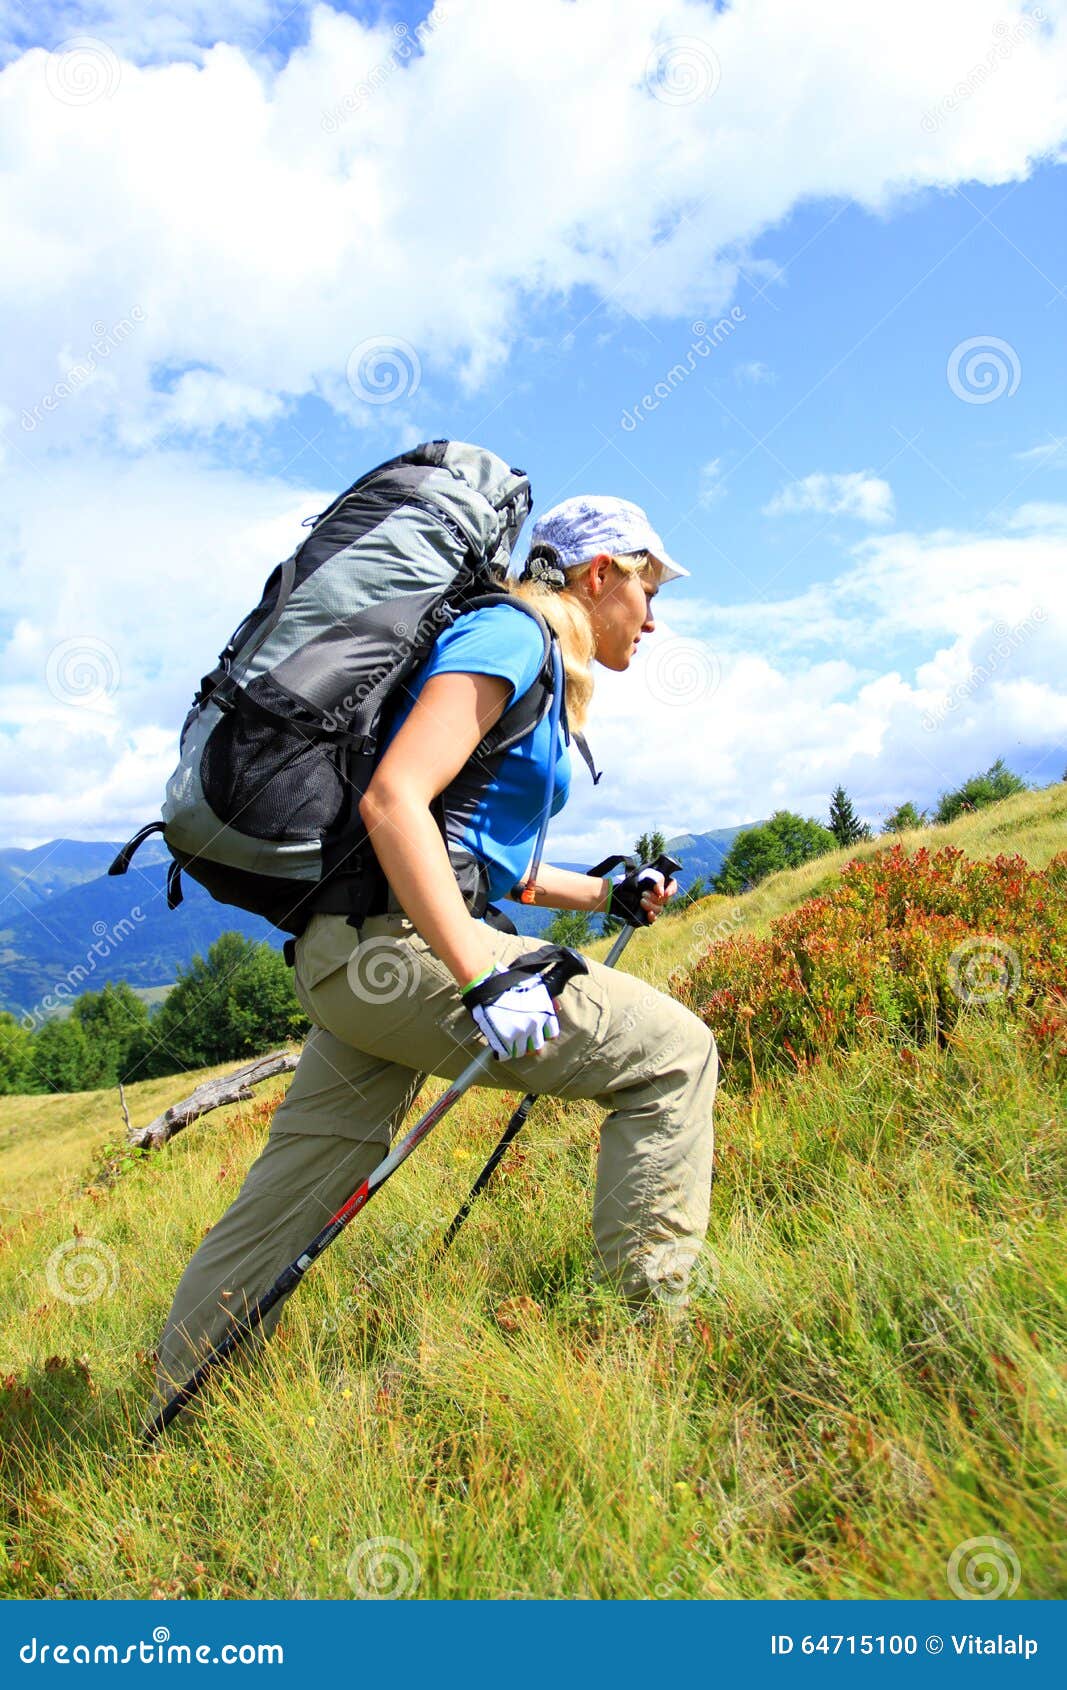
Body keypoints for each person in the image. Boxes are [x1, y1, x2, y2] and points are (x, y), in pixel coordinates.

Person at [151, 494, 718, 1412]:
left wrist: (606, 894)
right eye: (648, 591)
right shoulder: (511, 638)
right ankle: (649, 1346)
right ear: (598, 573)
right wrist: (482, 974)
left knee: (289, 1193)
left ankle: (177, 1402)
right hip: (403, 949)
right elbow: (394, 800)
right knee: (674, 1056)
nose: (652, 620)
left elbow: (481, 860)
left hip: (350, 960)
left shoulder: (526, 655)